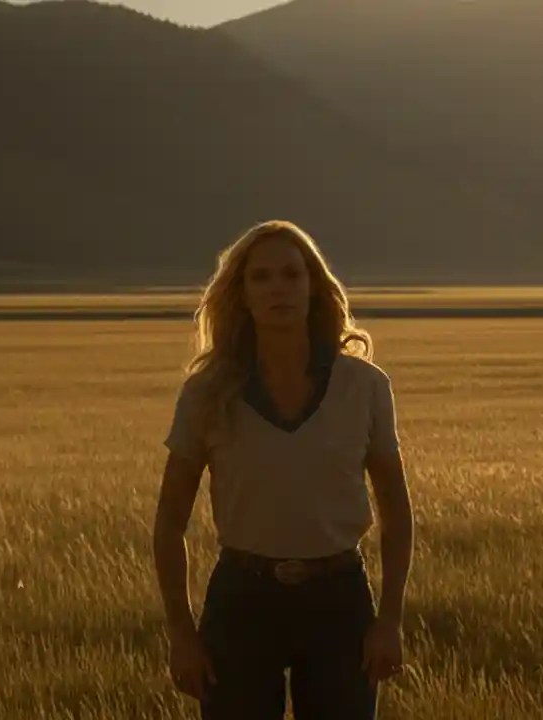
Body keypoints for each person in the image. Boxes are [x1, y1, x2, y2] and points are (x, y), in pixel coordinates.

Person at [152, 220, 414, 719]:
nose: (279, 288)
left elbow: (397, 516)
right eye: (262, 277)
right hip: (242, 600)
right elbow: (168, 524)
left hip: (339, 602)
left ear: (314, 288)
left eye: (293, 275)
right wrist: (182, 635)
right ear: (241, 295)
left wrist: (390, 621)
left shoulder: (365, 387)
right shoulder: (208, 394)